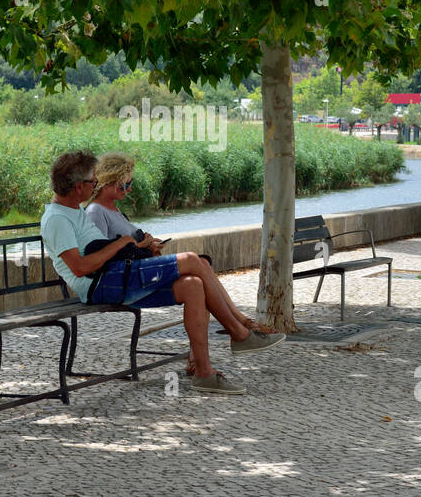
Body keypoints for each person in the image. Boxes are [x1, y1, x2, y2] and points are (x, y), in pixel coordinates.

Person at [40, 150, 284, 396]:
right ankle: (240, 333)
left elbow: (97, 249)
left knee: (193, 285)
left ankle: (204, 373)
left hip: (115, 275)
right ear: (78, 187)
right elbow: (80, 267)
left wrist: (129, 245)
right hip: (101, 284)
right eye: (93, 181)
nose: (96, 185)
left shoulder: (74, 211)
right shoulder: (58, 219)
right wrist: (123, 242)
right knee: (191, 260)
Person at [86, 152, 270, 374]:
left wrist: (148, 247)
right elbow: (102, 257)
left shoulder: (115, 211)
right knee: (194, 260)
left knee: (197, 278)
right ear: (109, 183)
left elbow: (126, 249)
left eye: (129, 184)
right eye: (125, 186)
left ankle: (199, 361)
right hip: (121, 283)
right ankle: (240, 329)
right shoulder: (96, 212)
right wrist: (139, 248)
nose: (129, 190)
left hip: (136, 275)